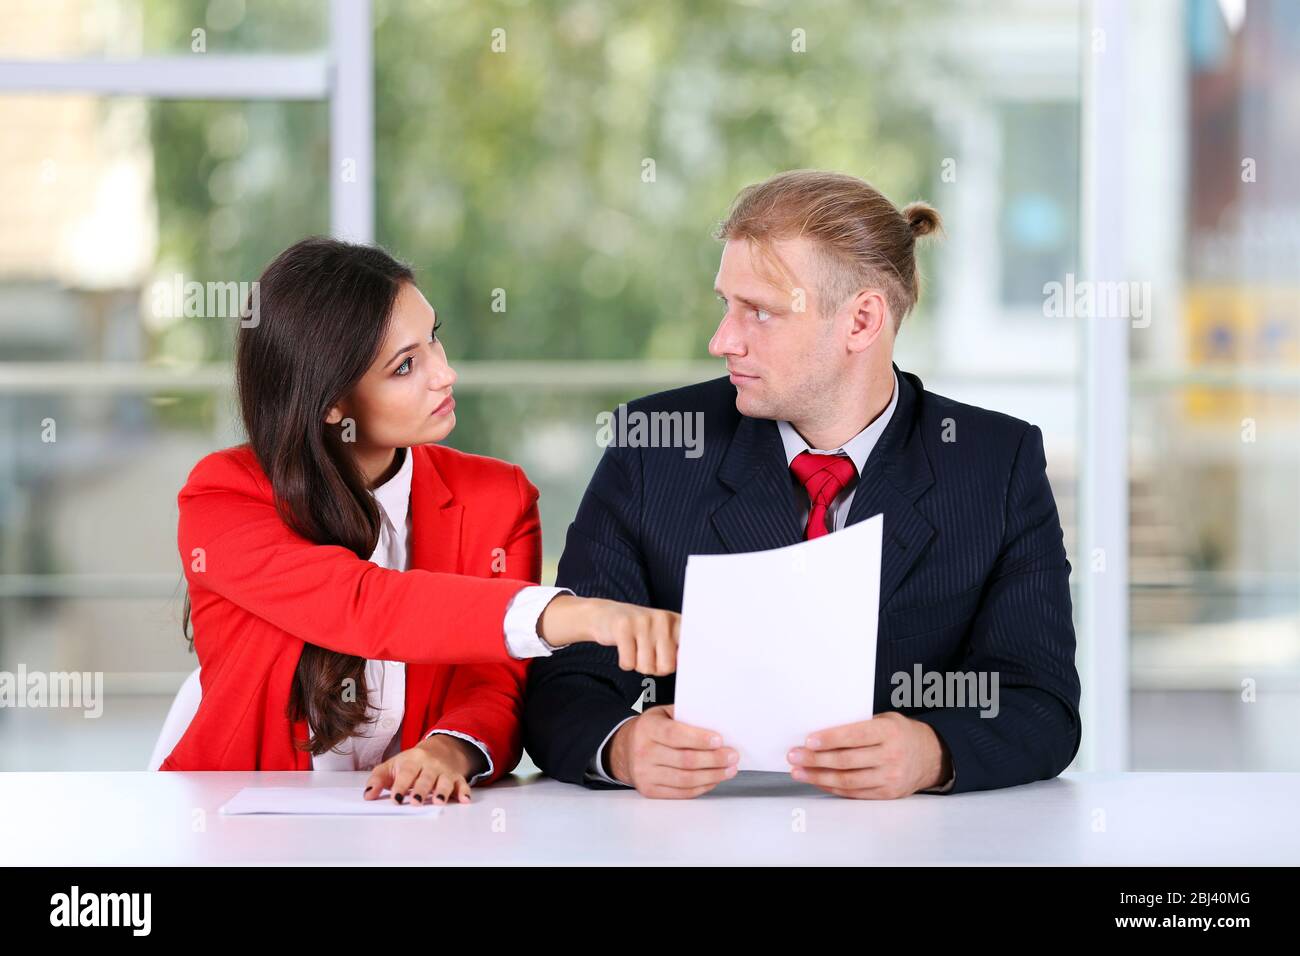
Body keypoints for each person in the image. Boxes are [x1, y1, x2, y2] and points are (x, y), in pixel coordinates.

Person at [524, 169, 1081, 799]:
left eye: (758, 312)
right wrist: (623, 747)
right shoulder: (653, 446)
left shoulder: (995, 463)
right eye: (725, 306)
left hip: (910, 843)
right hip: (698, 835)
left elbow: (1042, 702)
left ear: (862, 322)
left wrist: (933, 751)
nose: (721, 340)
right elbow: (563, 686)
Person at [162, 237, 679, 807]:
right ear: (332, 403)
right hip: (233, 819)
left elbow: (494, 683)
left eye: (434, 337)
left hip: (409, 826)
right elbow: (363, 604)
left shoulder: (497, 498)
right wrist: (571, 611)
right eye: (406, 366)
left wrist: (448, 750)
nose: (445, 373)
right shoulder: (225, 494)